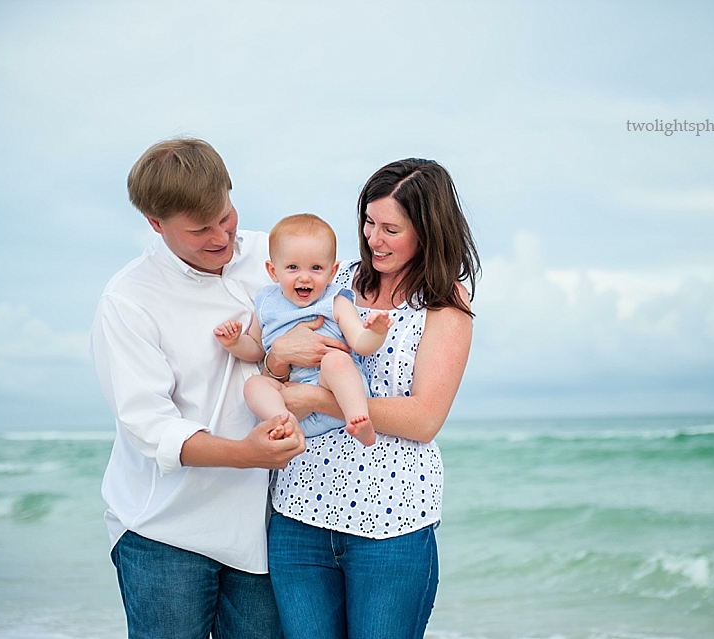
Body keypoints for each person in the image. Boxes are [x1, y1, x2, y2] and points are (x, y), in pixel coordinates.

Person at [90, 138, 311, 639]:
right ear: (155, 224)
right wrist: (247, 453)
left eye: (225, 216)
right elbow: (152, 428)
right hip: (163, 529)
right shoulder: (128, 299)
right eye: (200, 230)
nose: (221, 237)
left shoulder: (275, 257)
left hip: (263, 529)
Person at [263, 158, 481, 639]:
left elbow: (424, 419)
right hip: (299, 514)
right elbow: (278, 364)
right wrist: (276, 360)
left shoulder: (445, 303)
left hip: (391, 524)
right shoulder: (332, 279)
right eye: (368, 222)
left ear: (427, 230)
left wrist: (318, 401)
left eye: (391, 228)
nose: (373, 238)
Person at [213, 213, 394, 447]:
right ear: (273, 271)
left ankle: (360, 420)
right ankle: (283, 422)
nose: (305, 277)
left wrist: (376, 332)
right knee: (254, 385)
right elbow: (257, 348)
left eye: (316, 268)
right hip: (294, 404)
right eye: (292, 267)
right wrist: (235, 343)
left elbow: (361, 343)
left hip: (337, 398)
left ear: (332, 272)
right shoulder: (266, 302)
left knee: (336, 360)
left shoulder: (335, 301)